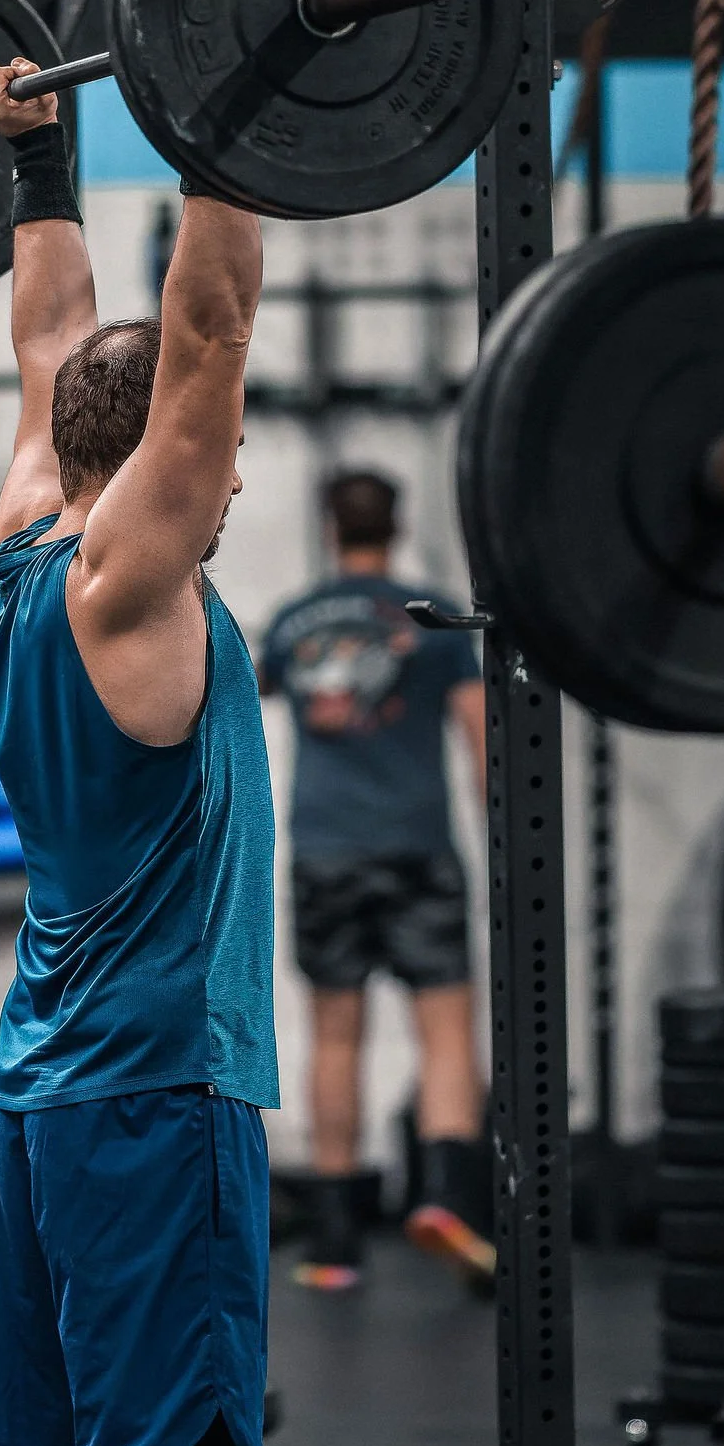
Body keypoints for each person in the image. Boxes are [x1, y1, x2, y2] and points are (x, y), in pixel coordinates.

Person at [0, 67, 310, 1446]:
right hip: (149, 1086)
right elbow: (208, 333)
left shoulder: (15, 542)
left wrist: (34, 149)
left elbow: (44, 332)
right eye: (208, 450)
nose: (231, 466)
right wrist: (240, 122)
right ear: (161, 460)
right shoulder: (122, 580)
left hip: (38, 1078)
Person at [259, 469, 490, 1292]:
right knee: (448, 1032)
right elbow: (479, 736)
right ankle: (447, 1200)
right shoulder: (434, 618)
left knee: (335, 1036)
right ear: (396, 526)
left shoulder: (293, 621)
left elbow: (240, 699)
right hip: (418, 846)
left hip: (324, 851)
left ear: (331, 528)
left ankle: (334, 1246)